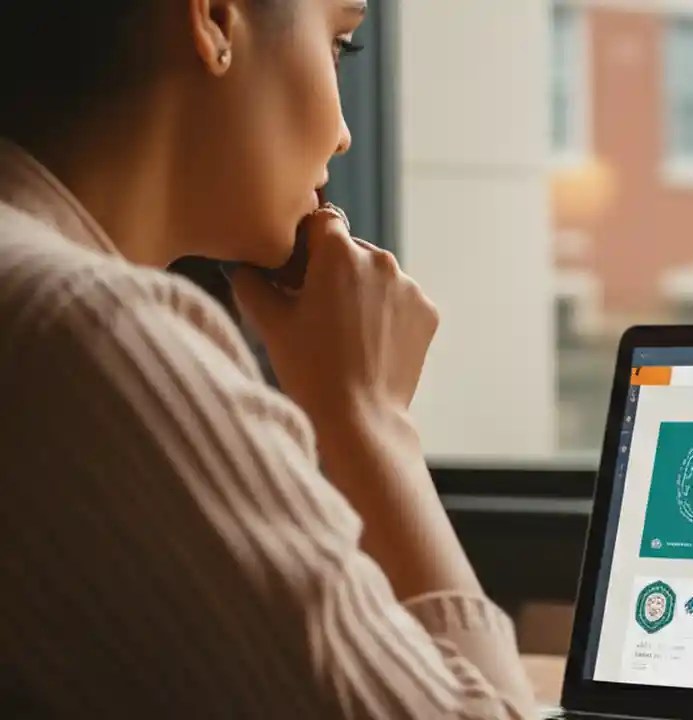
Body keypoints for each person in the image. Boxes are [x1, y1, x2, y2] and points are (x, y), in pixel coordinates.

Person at [0, 1, 536, 718]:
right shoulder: (94, 330)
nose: (346, 135)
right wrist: (369, 425)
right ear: (217, 19)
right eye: (340, 41)